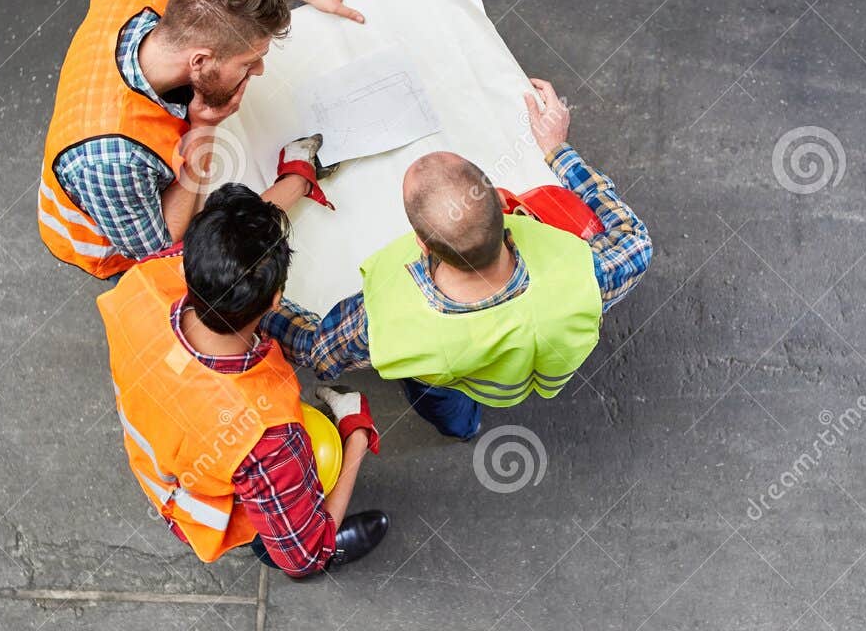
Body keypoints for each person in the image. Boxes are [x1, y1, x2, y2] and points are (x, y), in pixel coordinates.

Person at [263, 78, 652, 439]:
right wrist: (556, 149)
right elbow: (634, 240)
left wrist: (253, 294)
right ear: (504, 203)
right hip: (538, 370)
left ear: (422, 243)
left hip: (446, 378)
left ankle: (465, 428)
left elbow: (316, 349)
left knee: (447, 407)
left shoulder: (381, 319)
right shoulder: (589, 273)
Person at [98, 184, 389, 577]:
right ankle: (300, 540)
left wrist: (293, 184)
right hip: (207, 510)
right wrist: (355, 433)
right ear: (275, 301)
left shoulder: (144, 281)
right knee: (297, 547)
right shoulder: (267, 440)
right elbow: (302, 558)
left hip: (160, 453)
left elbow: (214, 247)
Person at [40, 0, 360, 278]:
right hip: (107, 239)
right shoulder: (111, 159)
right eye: (249, 63)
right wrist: (204, 129)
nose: (259, 71)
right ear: (200, 61)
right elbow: (162, 248)